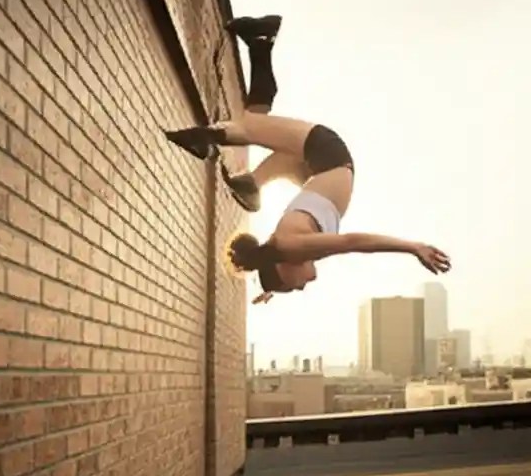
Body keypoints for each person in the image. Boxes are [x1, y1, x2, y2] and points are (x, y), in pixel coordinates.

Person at [163, 15, 450, 305]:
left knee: (249, 124)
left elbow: (354, 243)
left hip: (327, 155)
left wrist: (413, 247)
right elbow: (280, 264)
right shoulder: (289, 250)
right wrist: (271, 287)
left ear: (285, 267)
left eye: (292, 286)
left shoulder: (291, 247)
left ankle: (214, 132)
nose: (302, 288)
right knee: (256, 126)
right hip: (312, 166)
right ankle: (251, 181)